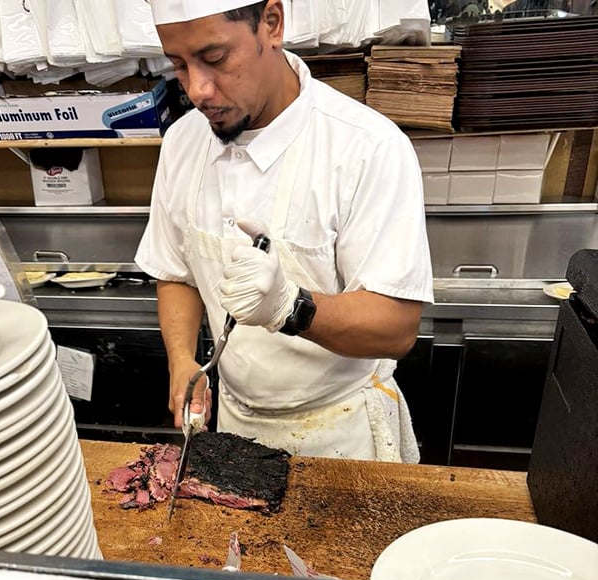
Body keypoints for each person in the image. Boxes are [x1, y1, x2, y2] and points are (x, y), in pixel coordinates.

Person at [136, 0, 434, 461]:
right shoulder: (182, 141)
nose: (198, 89)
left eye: (215, 59)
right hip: (238, 426)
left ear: (271, 24)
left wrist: (291, 307)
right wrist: (182, 362)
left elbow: (396, 328)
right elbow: (176, 272)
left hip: (344, 431)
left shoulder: (367, 147)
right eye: (178, 65)